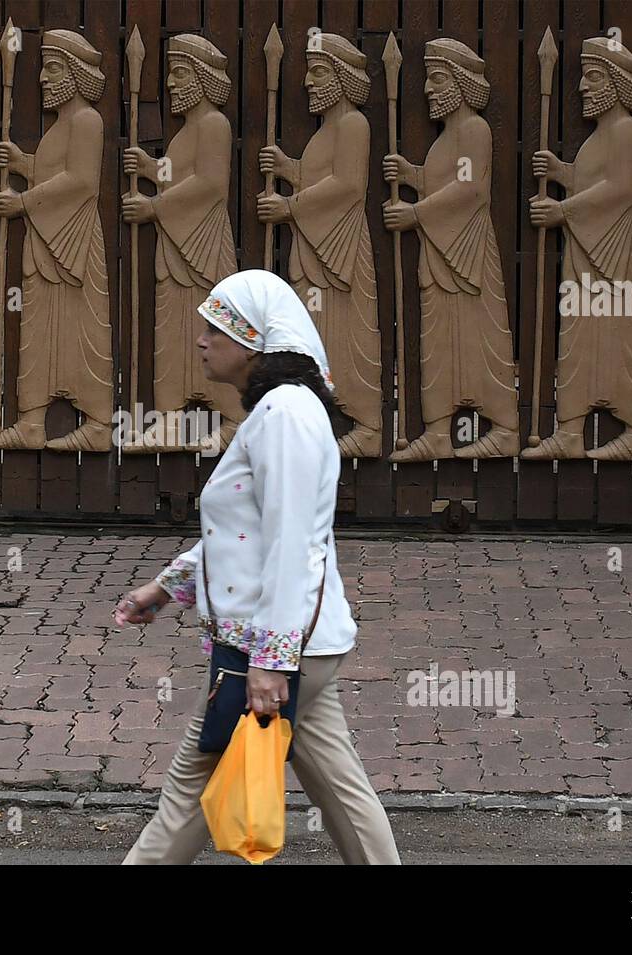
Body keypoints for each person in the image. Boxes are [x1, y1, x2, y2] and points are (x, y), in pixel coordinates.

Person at [115, 269, 401, 865]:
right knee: (343, 793)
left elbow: (294, 543)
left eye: (215, 328)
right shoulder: (279, 410)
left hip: (275, 650)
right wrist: (166, 588)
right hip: (300, 648)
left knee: (188, 791)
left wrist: (271, 662)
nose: (202, 340)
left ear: (253, 342)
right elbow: (248, 532)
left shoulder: (286, 415)